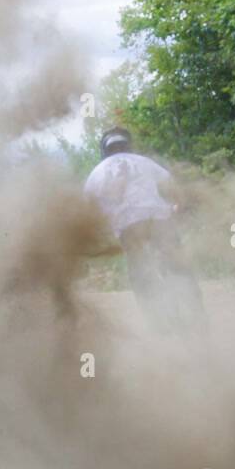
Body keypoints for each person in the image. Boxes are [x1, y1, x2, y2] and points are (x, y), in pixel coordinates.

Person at [82, 127, 205, 332]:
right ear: (127, 146)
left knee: (139, 274)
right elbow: (173, 186)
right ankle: (198, 316)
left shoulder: (97, 172)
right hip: (158, 219)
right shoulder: (144, 161)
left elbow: (87, 211)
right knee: (179, 265)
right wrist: (178, 208)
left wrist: (104, 231)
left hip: (129, 228)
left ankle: (158, 326)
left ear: (105, 150)